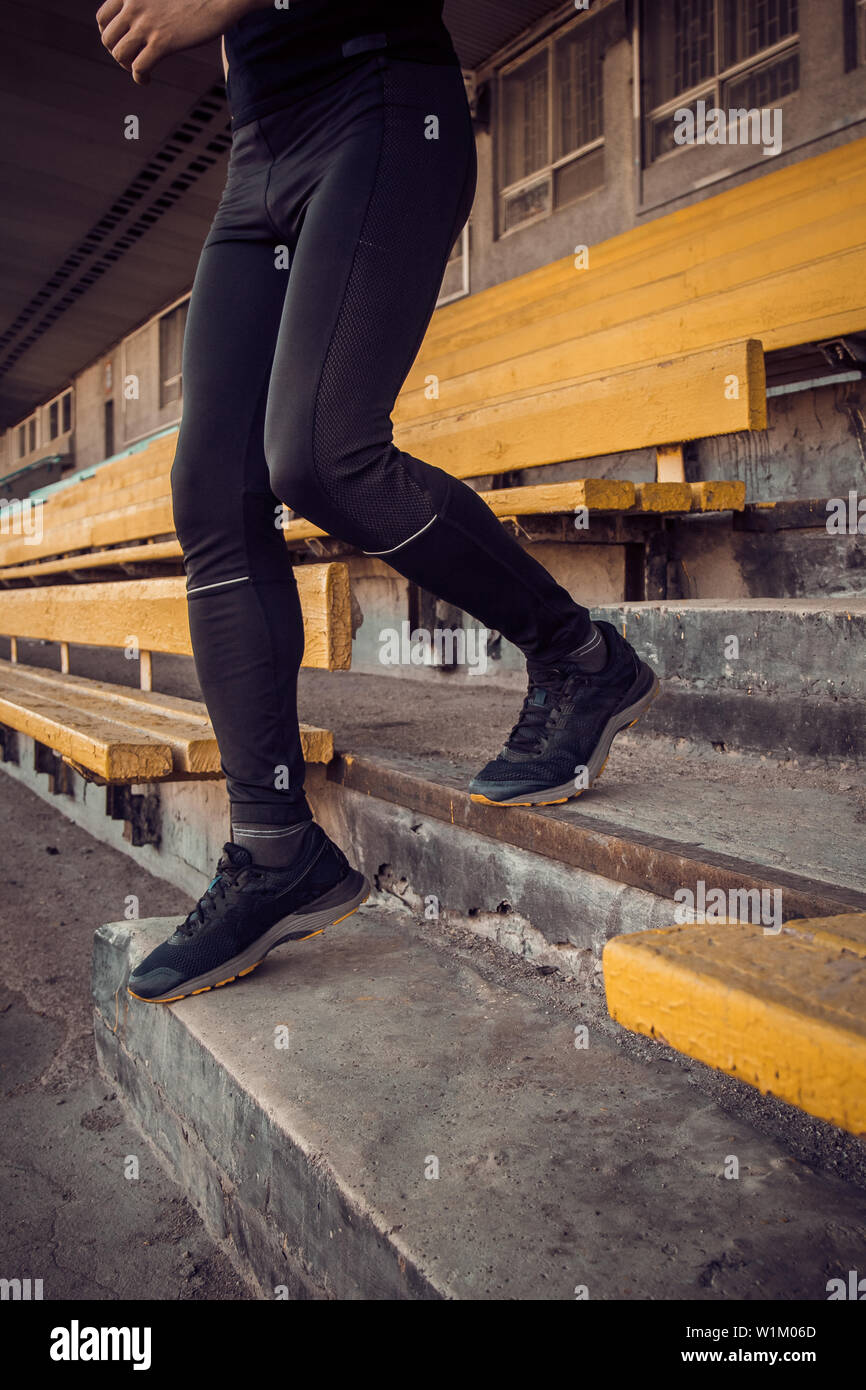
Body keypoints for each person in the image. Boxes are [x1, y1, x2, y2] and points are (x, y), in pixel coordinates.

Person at [96, 0, 658, 1004]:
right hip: (258, 149)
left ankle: (580, 658)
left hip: (379, 100)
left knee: (319, 456)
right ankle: (273, 846)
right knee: (211, 495)